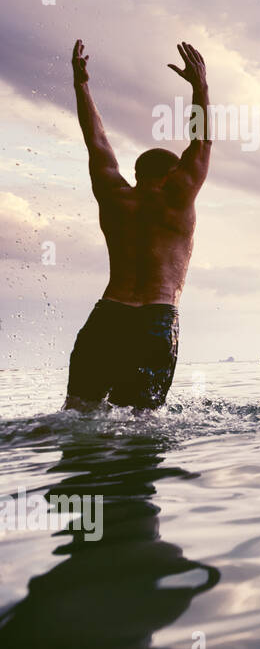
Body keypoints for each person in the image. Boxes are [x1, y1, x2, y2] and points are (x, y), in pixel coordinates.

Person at [63, 40, 212, 410]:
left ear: (137, 173)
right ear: (173, 173)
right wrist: (200, 87)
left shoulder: (114, 195)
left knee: (79, 414)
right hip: (154, 319)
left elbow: (95, 140)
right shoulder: (177, 198)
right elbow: (203, 139)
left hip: (108, 316)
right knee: (142, 425)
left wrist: (81, 86)